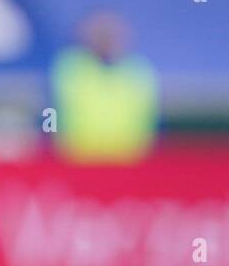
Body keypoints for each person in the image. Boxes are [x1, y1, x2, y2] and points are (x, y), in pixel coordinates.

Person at [50, 11, 158, 162]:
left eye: (110, 32)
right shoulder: (71, 66)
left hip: (130, 161)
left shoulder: (138, 69)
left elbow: (148, 119)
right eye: (100, 32)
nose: (106, 37)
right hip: (80, 160)